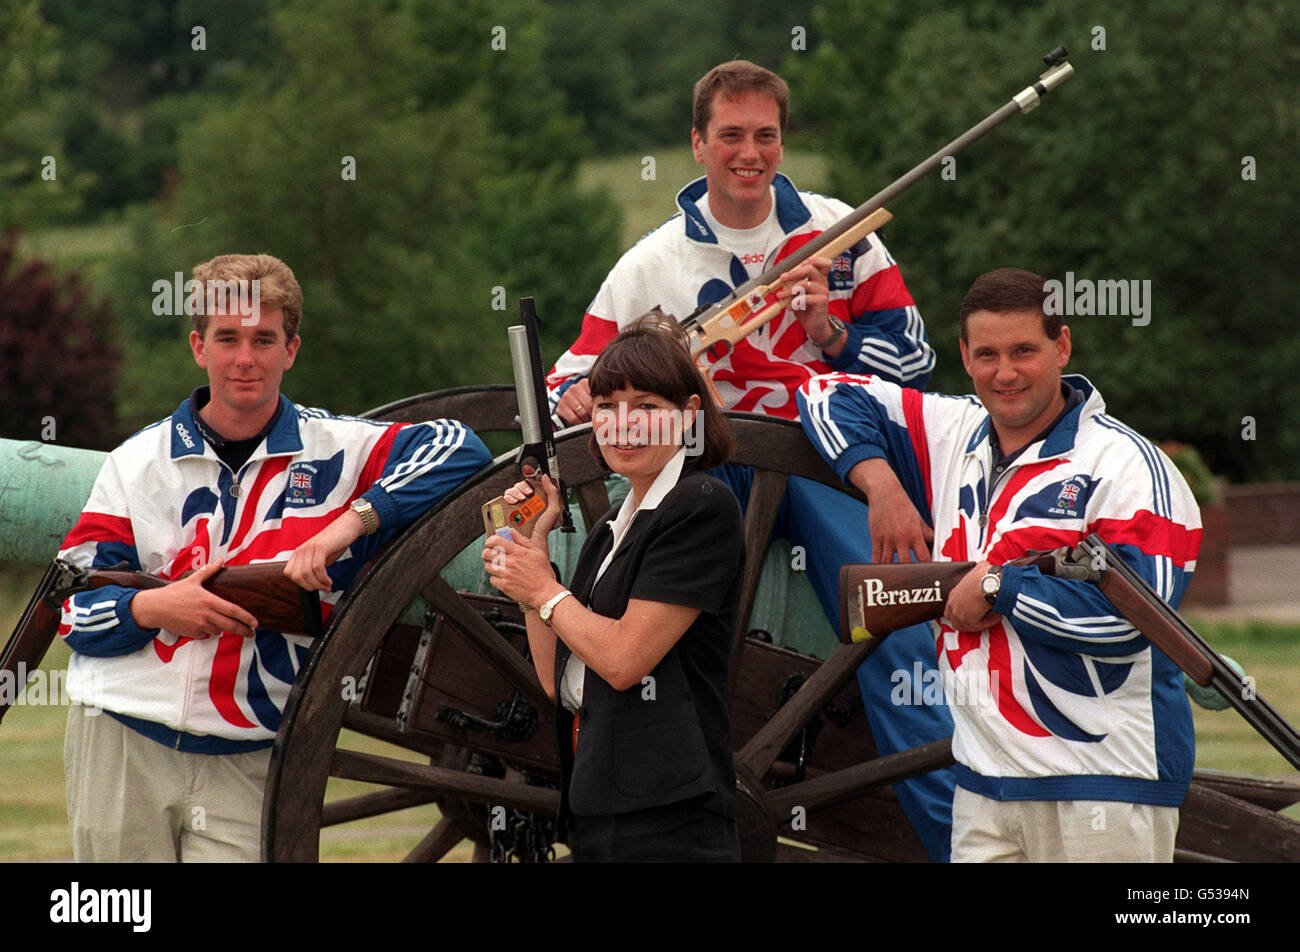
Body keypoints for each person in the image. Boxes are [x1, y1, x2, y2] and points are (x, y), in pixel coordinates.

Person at [545, 59, 956, 861]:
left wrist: (832, 333)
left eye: (765, 135)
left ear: (782, 139)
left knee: (889, 618)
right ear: (698, 144)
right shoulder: (653, 262)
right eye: (729, 135)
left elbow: (915, 364)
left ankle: (953, 824)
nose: (749, 152)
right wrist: (578, 398)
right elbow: (575, 368)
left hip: (826, 459)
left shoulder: (841, 234)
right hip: (714, 466)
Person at [56, 253, 491, 862]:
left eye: (264, 339)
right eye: (227, 338)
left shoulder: (338, 449)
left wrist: (349, 523)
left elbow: (460, 447)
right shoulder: (136, 462)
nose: (245, 358)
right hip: (124, 739)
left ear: (291, 349)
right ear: (197, 346)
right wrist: (159, 606)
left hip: (253, 755)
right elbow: (75, 614)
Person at [797, 268, 1201, 862]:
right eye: (986, 354)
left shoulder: (1128, 467)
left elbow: (1137, 620)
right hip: (983, 787)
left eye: (1024, 351)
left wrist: (996, 585)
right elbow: (825, 395)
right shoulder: (948, 431)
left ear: (1062, 346)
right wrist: (882, 486)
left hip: (1105, 787)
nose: (1005, 373)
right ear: (963, 355)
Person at [484, 316, 744, 861]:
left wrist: (545, 593)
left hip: (669, 817)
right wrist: (536, 563)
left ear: (689, 416)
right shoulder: (609, 529)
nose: (623, 424)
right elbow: (561, 681)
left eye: (647, 407)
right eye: (607, 406)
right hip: (599, 798)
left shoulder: (701, 504)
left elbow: (625, 661)